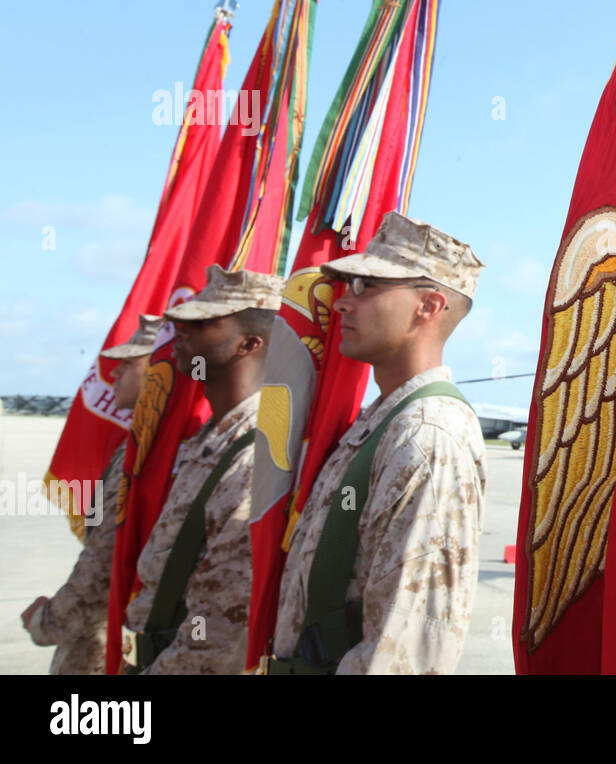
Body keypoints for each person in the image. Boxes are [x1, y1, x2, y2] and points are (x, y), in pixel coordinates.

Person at [265, 210, 486, 674]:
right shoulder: (384, 421)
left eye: (367, 287)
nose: (343, 304)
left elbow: (404, 655)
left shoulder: (430, 436)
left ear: (428, 306)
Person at [120, 266, 283, 674]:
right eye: (181, 320)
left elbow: (222, 628)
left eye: (203, 322)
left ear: (248, 343)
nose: (179, 329)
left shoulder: (256, 452)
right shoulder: (212, 435)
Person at [22, 314, 162, 674]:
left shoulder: (150, 456)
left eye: (128, 364)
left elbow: (103, 570)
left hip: (112, 648)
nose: (113, 374)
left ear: (157, 371)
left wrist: (46, 620)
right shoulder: (135, 448)